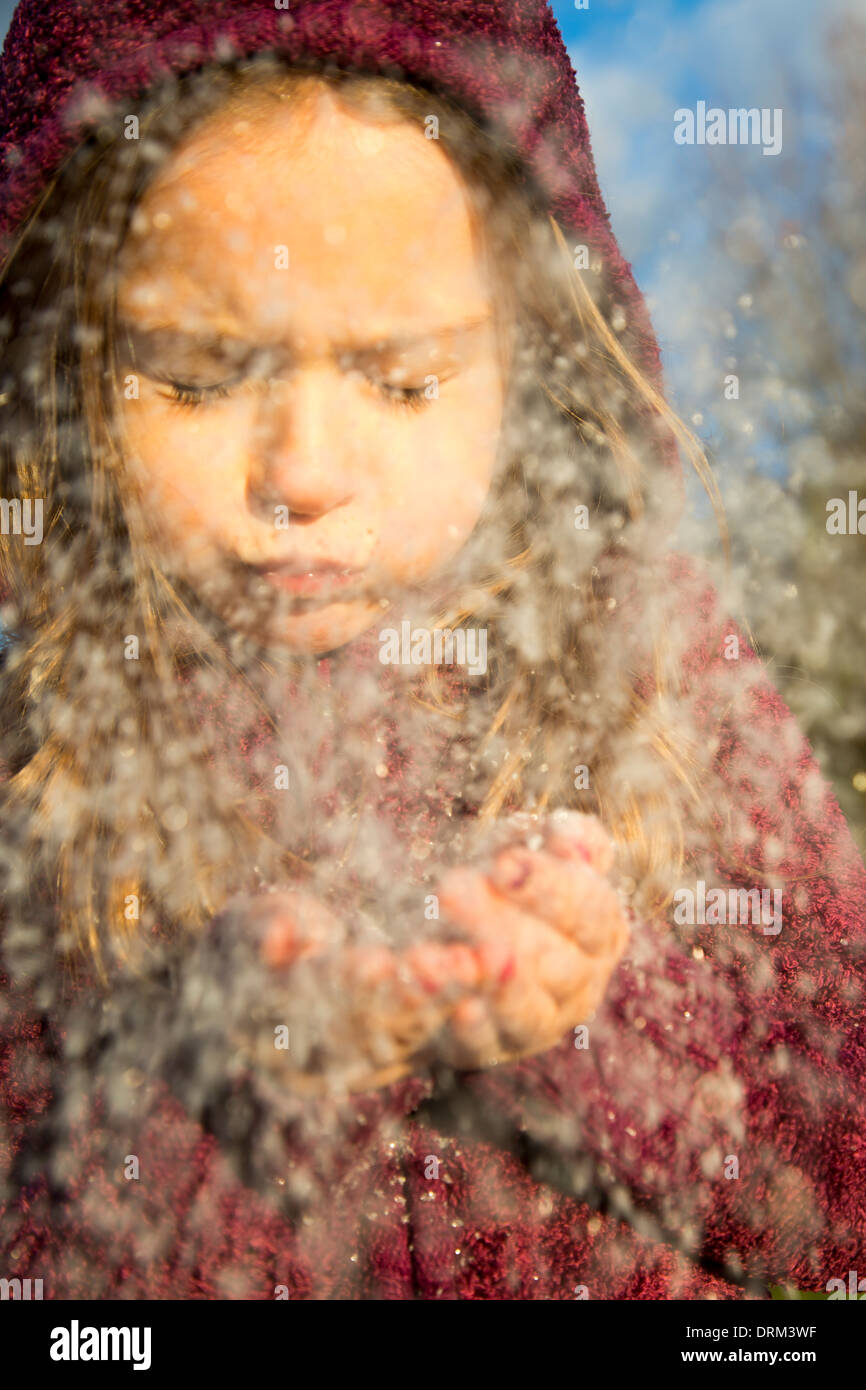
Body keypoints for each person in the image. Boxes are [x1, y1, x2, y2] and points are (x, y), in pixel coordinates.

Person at [0, 0, 864, 1301]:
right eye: (188, 374)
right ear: (61, 369)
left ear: (531, 358)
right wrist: (230, 1066)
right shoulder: (38, 763)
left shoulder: (654, 677)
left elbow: (835, 1199)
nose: (301, 470)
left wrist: (588, 1028)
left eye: (401, 380)